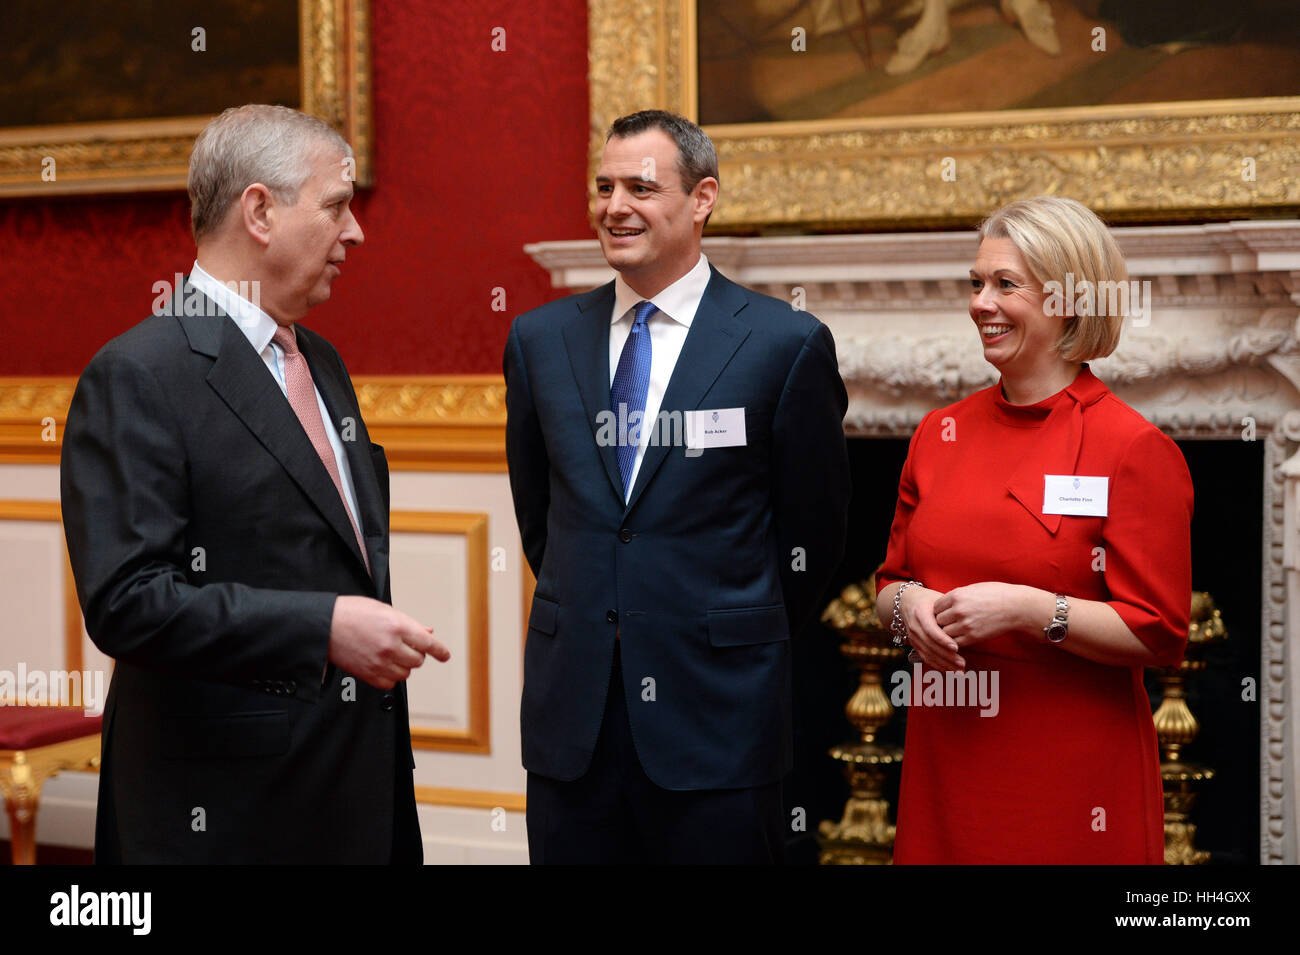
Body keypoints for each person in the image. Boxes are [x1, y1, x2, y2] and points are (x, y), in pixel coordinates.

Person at [60, 104, 449, 864]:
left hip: (356, 797)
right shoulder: (139, 373)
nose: (357, 232)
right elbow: (130, 600)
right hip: (224, 816)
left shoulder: (323, 362)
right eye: (337, 206)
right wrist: (324, 627)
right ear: (261, 211)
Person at [504, 109, 851, 864]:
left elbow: (812, 538)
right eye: (603, 187)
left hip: (718, 719)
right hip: (575, 723)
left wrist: (721, 617)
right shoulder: (539, 340)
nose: (613, 206)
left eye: (640, 186)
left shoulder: (783, 345)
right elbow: (542, 517)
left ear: (702, 200)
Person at [876, 195, 1193, 864]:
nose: (980, 303)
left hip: (1071, 782)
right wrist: (909, 609)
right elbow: (889, 583)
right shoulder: (940, 432)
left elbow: (1158, 631)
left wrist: (1029, 608)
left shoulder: (1133, 447)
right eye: (976, 282)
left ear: (1069, 302)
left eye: (1005, 284)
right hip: (946, 763)